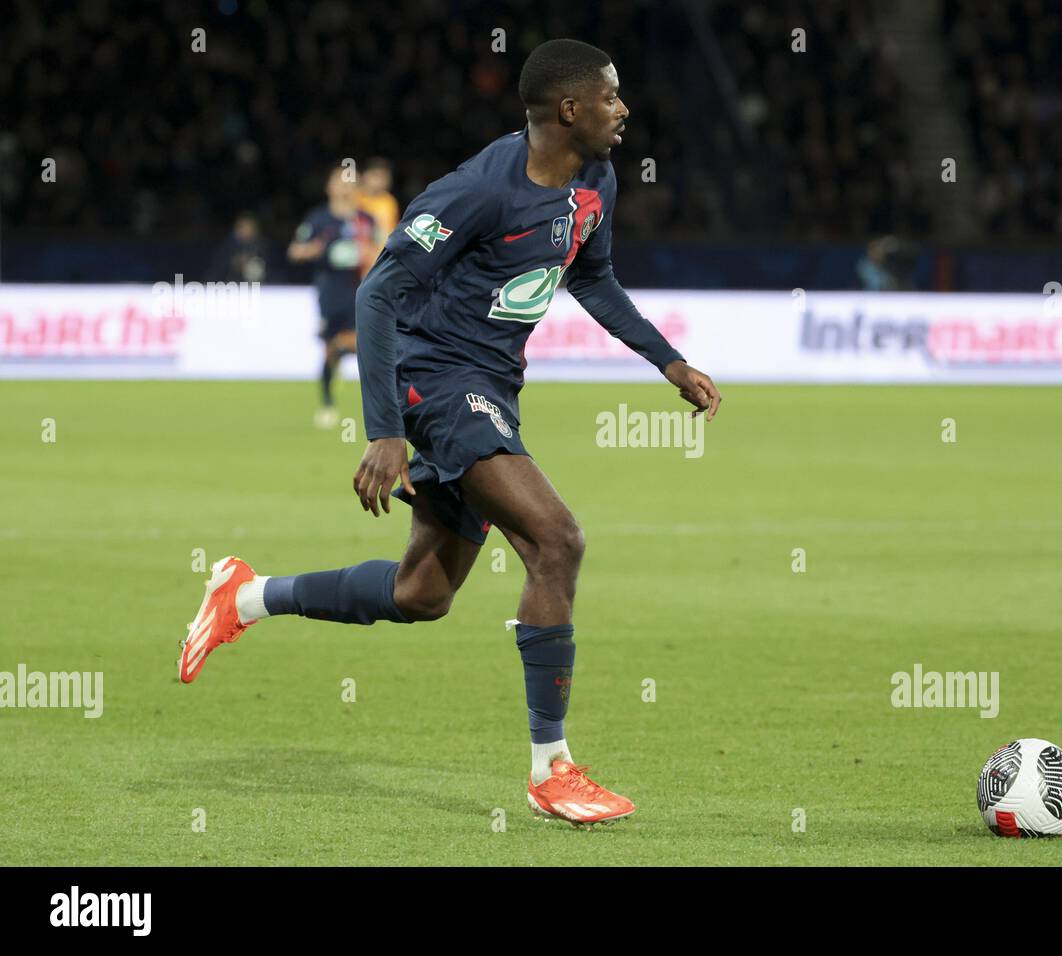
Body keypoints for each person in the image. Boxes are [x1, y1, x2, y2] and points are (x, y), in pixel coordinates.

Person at [178, 39, 721, 826]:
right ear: (569, 110)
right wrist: (386, 430)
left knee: (421, 594)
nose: (623, 109)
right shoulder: (475, 191)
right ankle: (552, 769)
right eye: (610, 96)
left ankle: (246, 596)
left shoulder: (595, 179)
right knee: (557, 540)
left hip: (491, 386)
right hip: (437, 382)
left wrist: (667, 361)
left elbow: (592, 277)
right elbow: (376, 295)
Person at [288, 167, 376, 428]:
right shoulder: (319, 219)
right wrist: (312, 250)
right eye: (340, 182)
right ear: (330, 187)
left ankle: (377, 407)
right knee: (329, 351)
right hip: (330, 292)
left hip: (360, 290)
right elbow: (295, 251)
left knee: (364, 343)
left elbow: (379, 250)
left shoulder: (366, 220)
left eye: (350, 183)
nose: (345, 188)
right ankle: (327, 403)